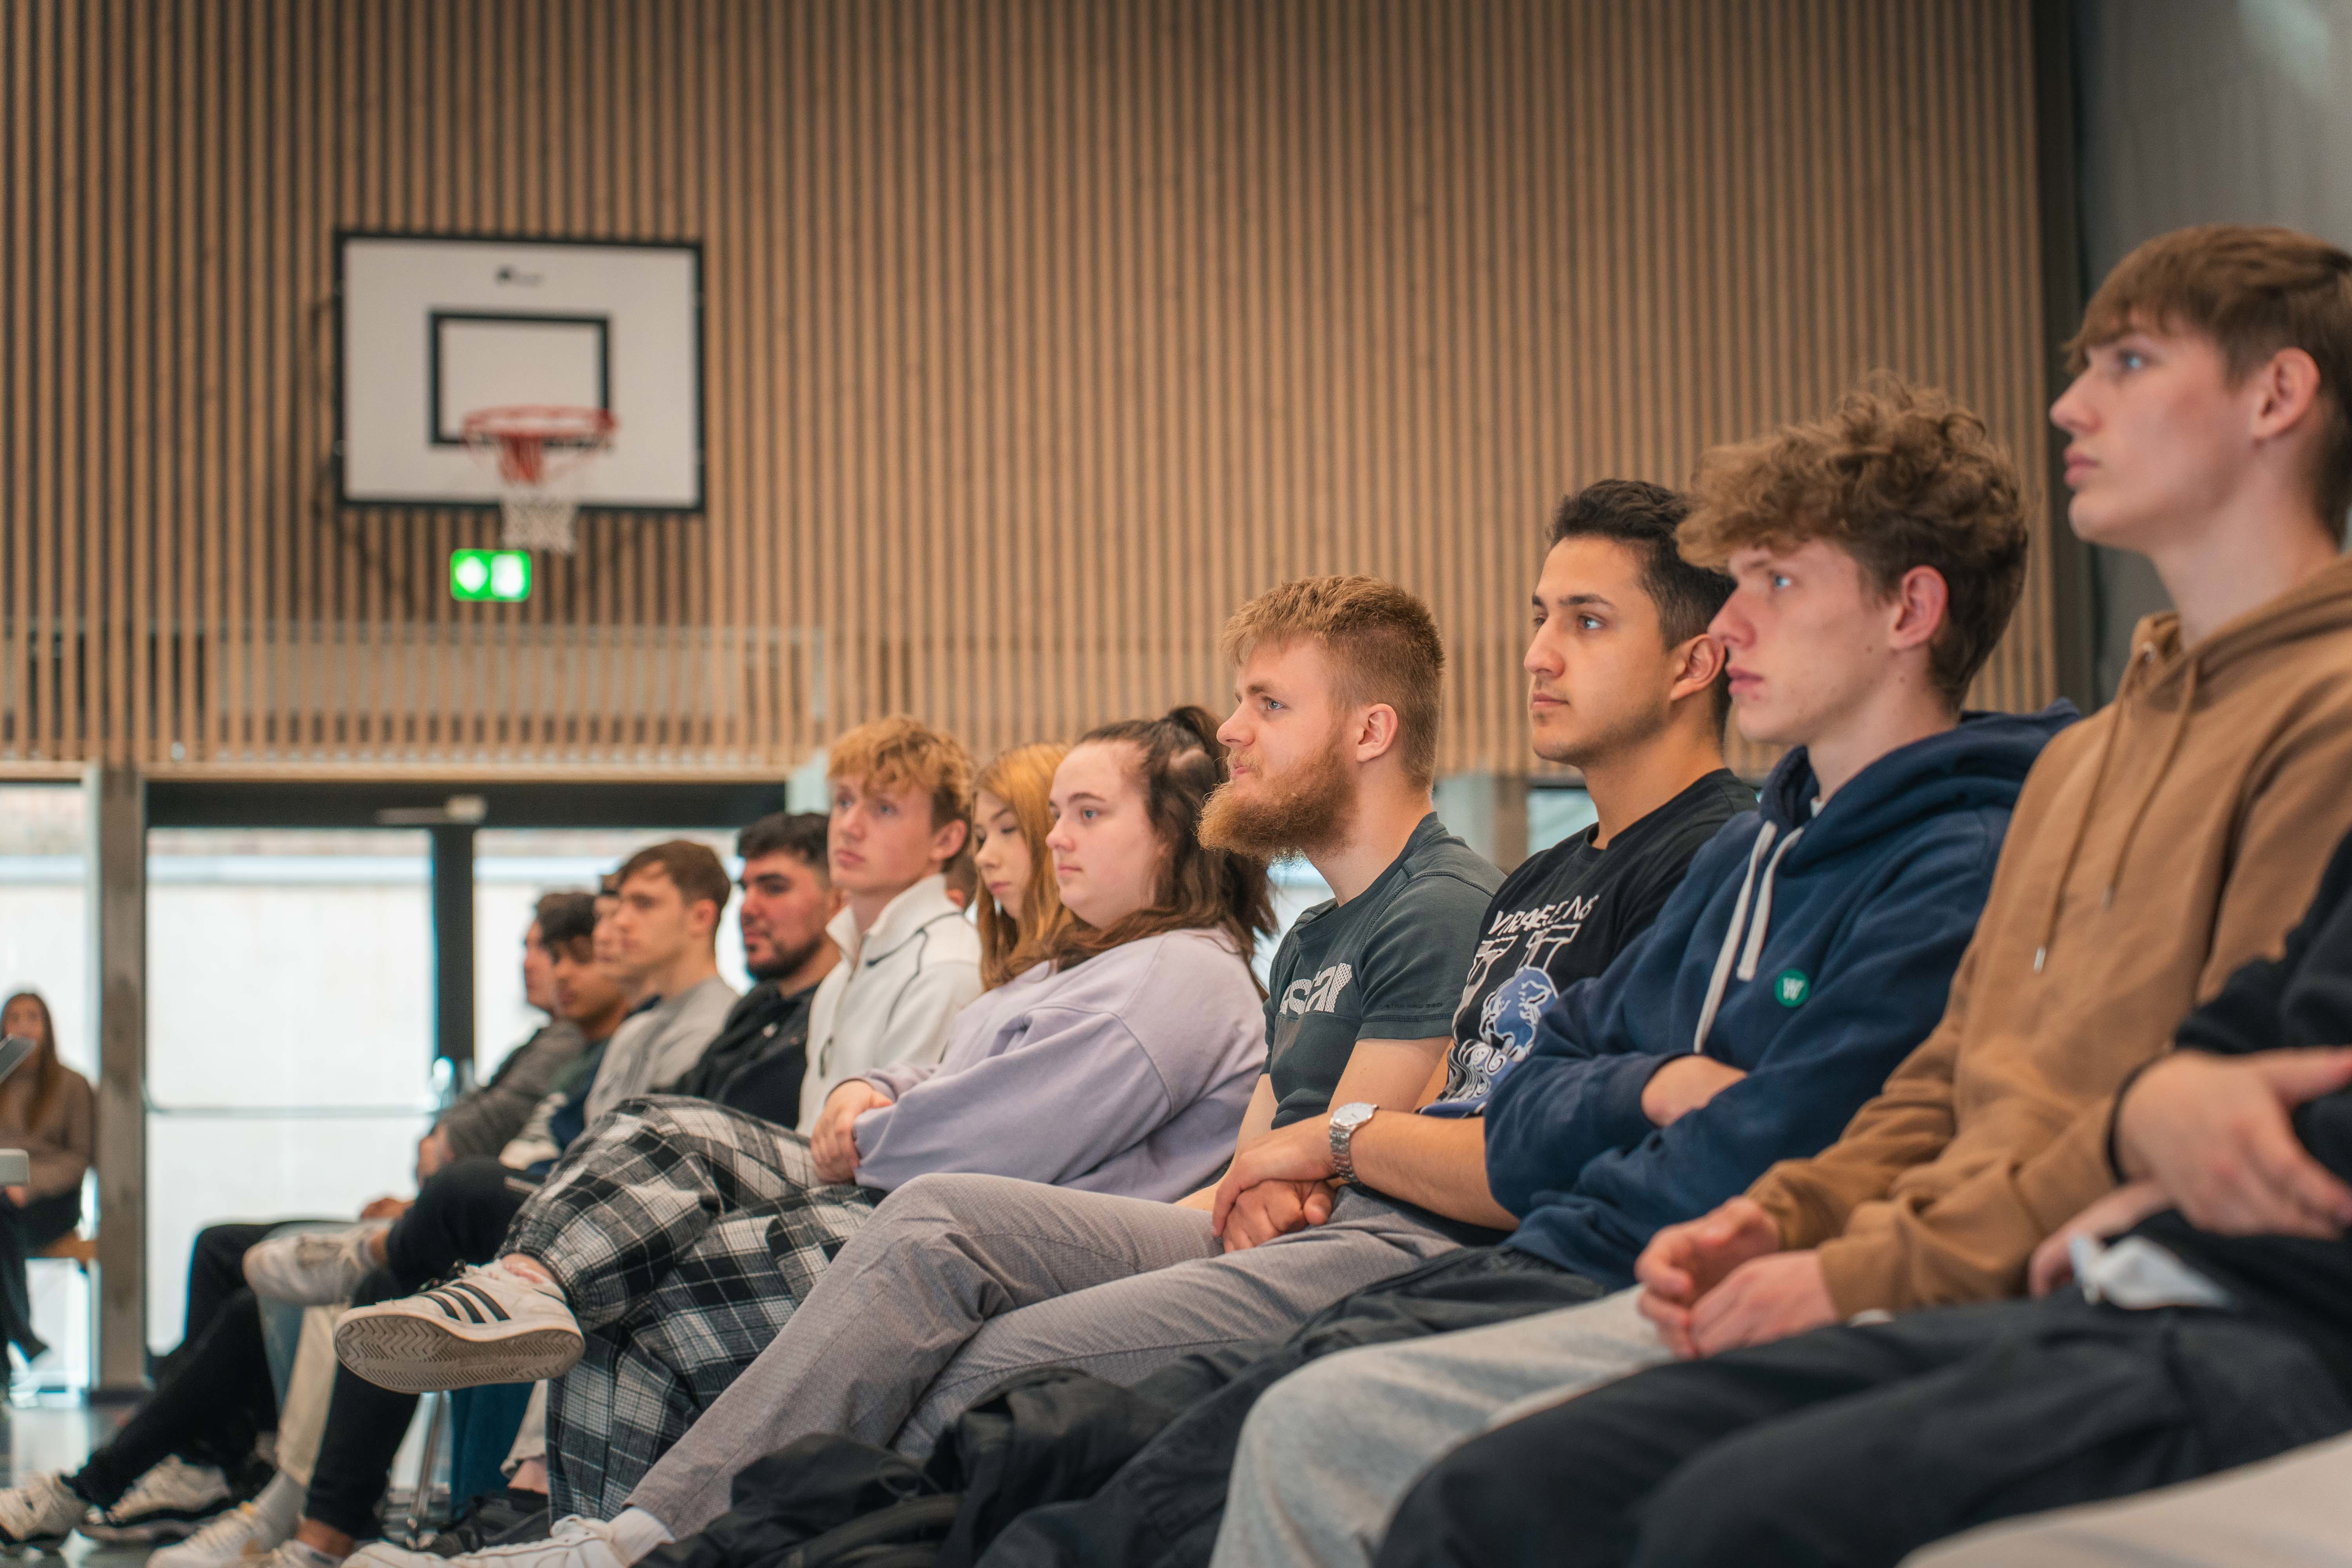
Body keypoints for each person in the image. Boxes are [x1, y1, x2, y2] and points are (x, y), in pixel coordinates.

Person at [1238, 222, 2352, 1568]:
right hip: (1835, 1254)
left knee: (1436, 1459)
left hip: (2083, 1295)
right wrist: (1791, 1210)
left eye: (2124, 360)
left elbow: (2188, 1107)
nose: (2072, 402)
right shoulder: (2086, 761)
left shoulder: (2293, 730)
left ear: (2278, 398)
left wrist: (1837, 1249)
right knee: (1356, 1451)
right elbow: (1945, 1085)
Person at [375, 573, 1514, 1568]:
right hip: (1226, 1218)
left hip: (1340, 1244)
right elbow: (1261, 1151)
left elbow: (1352, 1150)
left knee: (956, 1326)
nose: (1231, 729)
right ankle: (621, 1531)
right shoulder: (1313, 934)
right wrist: (1260, 1172)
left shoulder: (1428, 902)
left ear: (1366, 731)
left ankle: (661, 1535)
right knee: (912, 1224)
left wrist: (1275, 1167)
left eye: (1267, 703)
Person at [338, 713, 1274, 1524]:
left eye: (1089, 814)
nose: (1052, 838)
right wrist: (863, 1089)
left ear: (1176, 836)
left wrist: (863, 1127)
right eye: (1056, 812)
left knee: (657, 1206)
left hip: (972, 1225)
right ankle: (543, 1347)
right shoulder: (1079, 964)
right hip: (900, 1181)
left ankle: (539, 1325)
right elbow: (940, 1068)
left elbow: (1009, 1132)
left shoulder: (1182, 970)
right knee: (648, 1195)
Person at [1386, 818, 2352, 1568]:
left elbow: (1746, 1141)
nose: (1733, 624)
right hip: (2090, 1266)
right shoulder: (1736, 851)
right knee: (1478, 1494)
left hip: (2231, 1308)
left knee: (1724, 1518)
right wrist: (1676, 1118)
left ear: (1908, 609)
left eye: (1778, 578)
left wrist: (1843, 1255)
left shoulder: (1950, 845)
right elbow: (1521, 1117)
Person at [0, 899, 630, 1559]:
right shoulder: (563, 1046)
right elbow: (466, 1137)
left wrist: (443, 1176)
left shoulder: (598, 1047)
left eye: (567, 954)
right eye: (545, 951)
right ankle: (214, 1465)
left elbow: (471, 1143)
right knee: (229, 1251)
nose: (548, 969)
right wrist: (441, 1173)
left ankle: (246, 1490)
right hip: (456, 1214)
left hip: (494, 1230)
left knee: (296, 1286)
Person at [792, 715, 988, 1131]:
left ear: (947, 839)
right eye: (844, 801)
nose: (849, 827)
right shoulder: (843, 970)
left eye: (883, 808)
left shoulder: (945, 970)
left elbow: (889, 1154)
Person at [0, 989, 95, 1363]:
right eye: (15, 1018)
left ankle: (12, 1353)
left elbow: (78, 1158)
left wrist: (30, 1184)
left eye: (33, 1017)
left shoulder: (72, 1085)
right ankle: (21, 1339)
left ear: (48, 1027)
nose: (24, 1026)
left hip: (52, 1201)